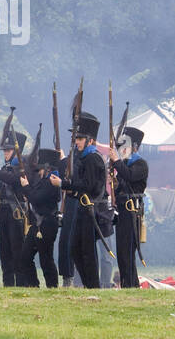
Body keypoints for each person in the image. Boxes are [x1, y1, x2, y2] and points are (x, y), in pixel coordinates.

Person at [52, 111, 106, 289]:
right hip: (83, 210)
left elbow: (88, 185)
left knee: (88, 252)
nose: (77, 142)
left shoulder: (93, 158)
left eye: (80, 139)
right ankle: (88, 284)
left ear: (90, 140)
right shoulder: (82, 158)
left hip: (91, 209)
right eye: (77, 138)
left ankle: (93, 286)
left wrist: (63, 184)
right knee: (75, 248)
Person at [107, 125, 149, 288]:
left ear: (135, 147)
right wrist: (114, 182)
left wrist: (116, 162)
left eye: (125, 146)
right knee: (122, 253)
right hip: (123, 212)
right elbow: (121, 188)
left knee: (128, 253)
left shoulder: (140, 164)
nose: (122, 150)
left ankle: (131, 285)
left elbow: (130, 176)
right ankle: (127, 284)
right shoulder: (124, 165)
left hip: (133, 212)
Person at [14, 147, 62, 287]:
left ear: (47, 169)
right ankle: (33, 285)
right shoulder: (44, 181)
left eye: (41, 169)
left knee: (46, 259)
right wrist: (28, 190)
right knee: (25, 257)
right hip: (38, 223)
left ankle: (52, 287)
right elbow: (34, 195)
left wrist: (26, 187)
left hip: (47, 223)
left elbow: (36, 198)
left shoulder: (51, 183)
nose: (39, 172)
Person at [0, 128, 28, 286]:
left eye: (8, 150)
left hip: (17, 214)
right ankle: (8, 285)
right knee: (4, 252)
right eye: (5, 150)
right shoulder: (4, 168)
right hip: (4, 213)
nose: (5, 153)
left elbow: (13, 180)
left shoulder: (23, 166)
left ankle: (20, 284)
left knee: (17, 252)